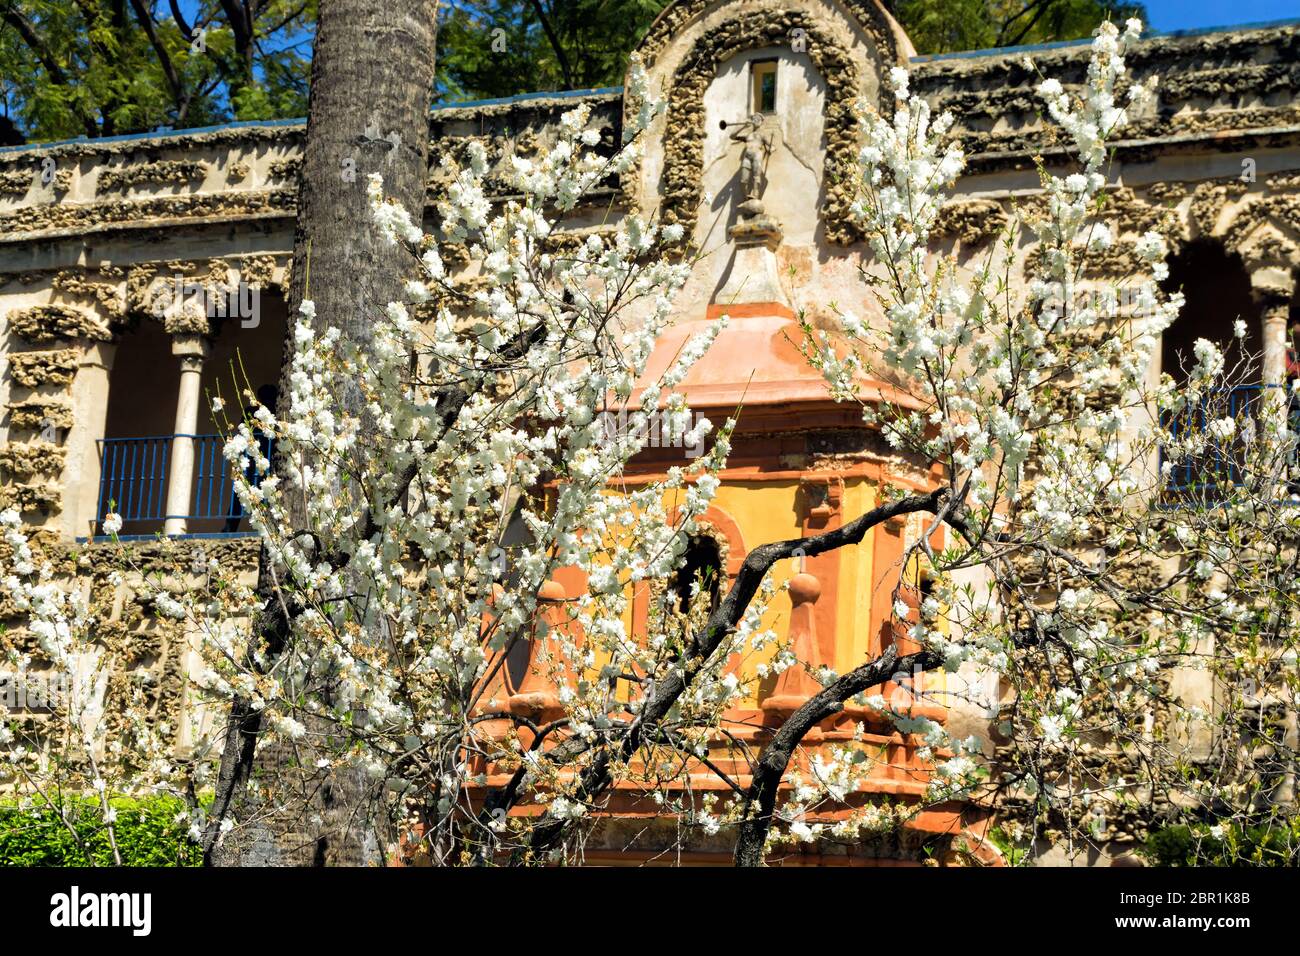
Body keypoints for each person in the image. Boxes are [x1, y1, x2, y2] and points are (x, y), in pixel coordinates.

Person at [223, 384, 278, 532]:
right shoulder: (255, 411)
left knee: (253, 492)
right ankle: (231, 526)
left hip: (266, 457)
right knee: (244, 491)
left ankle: (234, 526)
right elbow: (244, 431)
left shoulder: (276, 411)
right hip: (256, 457)